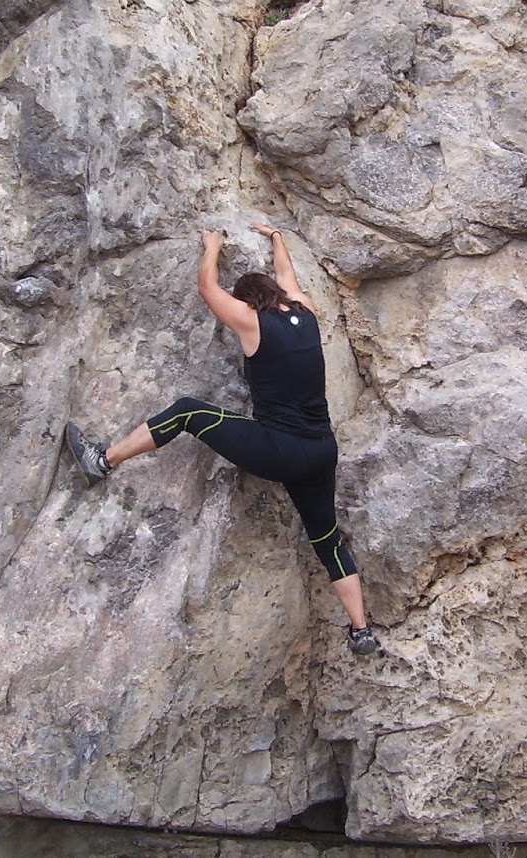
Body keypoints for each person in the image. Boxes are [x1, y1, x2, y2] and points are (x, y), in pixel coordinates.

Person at [65, 223, 380, 656]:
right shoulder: (306, 312)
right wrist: (277, 239)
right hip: (321, 452)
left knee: (188, 411)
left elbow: (207, 289)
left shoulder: (251, 320)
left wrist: (212, 247)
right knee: (327, 540)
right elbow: (289, 278)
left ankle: (101, 462)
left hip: (279, 449)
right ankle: (361, 630)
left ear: (249, 301)